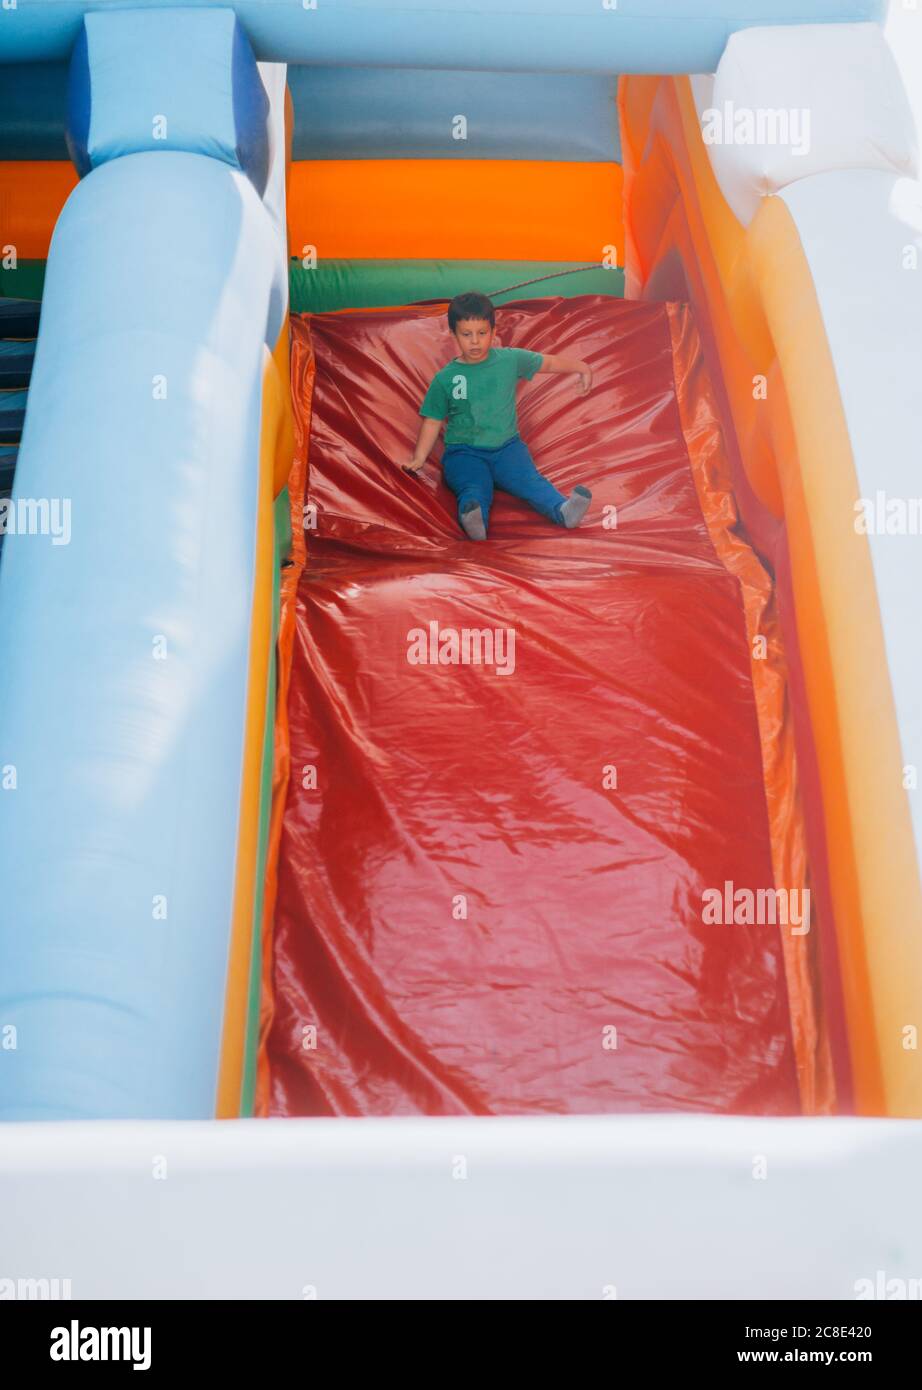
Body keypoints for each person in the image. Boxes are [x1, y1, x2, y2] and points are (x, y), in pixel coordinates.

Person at [399, 290, 593, 540]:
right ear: (453, 335)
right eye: (467, 335)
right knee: (473, 484)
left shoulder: (510, 360)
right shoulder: (446, 378)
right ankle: (474, 519)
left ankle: (564, 511)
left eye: (482, 333)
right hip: (464, 452)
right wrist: (419, 457)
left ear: (493, 330)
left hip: (507, 448)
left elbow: (548, 363)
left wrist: (581, 368)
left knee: (529, 480)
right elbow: (433, 419)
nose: (475, 342)